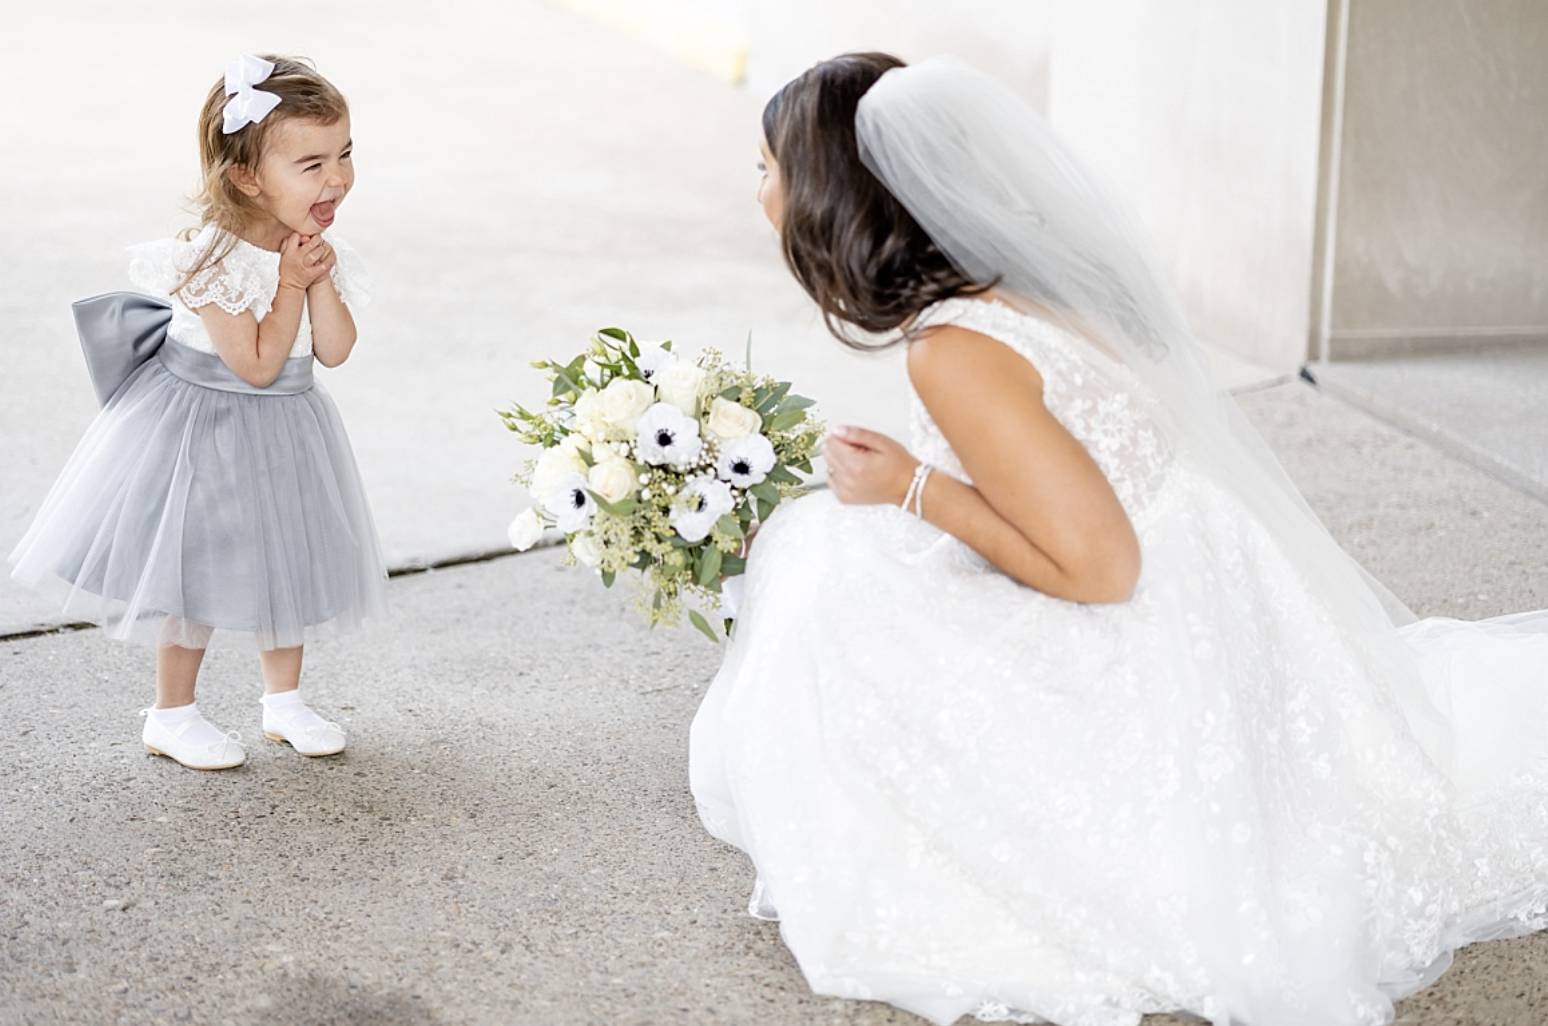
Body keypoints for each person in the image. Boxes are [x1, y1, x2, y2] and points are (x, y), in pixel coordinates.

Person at [690, 52, 1548, 1026]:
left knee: (828, 602)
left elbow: (1102, 570)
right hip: (1199, 569)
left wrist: (911, 484)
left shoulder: (953, 352)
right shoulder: (1008, 276)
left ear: (829, 202)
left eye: (767, 166)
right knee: (834, 552)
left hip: (1148, 622)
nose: (756, 186)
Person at [8, 54, 386, 771]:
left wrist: (319, 280)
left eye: (345, 154)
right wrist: (288, 285)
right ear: (247, 176)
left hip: (287, 427)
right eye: (312, 163)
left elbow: (332, 351)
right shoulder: (210, 260)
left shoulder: (313, 251)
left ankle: (284, 700)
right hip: (207, 429)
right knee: (197, 575)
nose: (336, 177)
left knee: (288, 560)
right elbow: (253, 364)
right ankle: (172, 713)